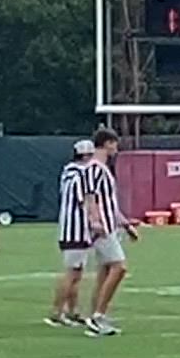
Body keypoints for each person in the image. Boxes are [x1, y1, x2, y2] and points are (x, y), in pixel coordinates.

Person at [81, 128, 135, 336]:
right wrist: (95, 220)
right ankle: (98, 316)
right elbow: (90, 196)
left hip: (108, 224)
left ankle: (95, 313)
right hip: (102, 226)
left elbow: (108, 202)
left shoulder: (101, 168)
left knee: (104, 272)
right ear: (107, 143)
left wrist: (125, 224)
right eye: (114, 144)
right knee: (119, 268)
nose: (116, 149)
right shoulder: (95, 168)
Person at [46, 140, 95, 329]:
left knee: (77, 272)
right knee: (71, 272)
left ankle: (73, 311)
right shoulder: (80, 175)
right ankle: (57, 312)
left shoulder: (68, 172)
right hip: (76, 228)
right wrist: (94, 221)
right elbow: (85, 201)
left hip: (69, 227)